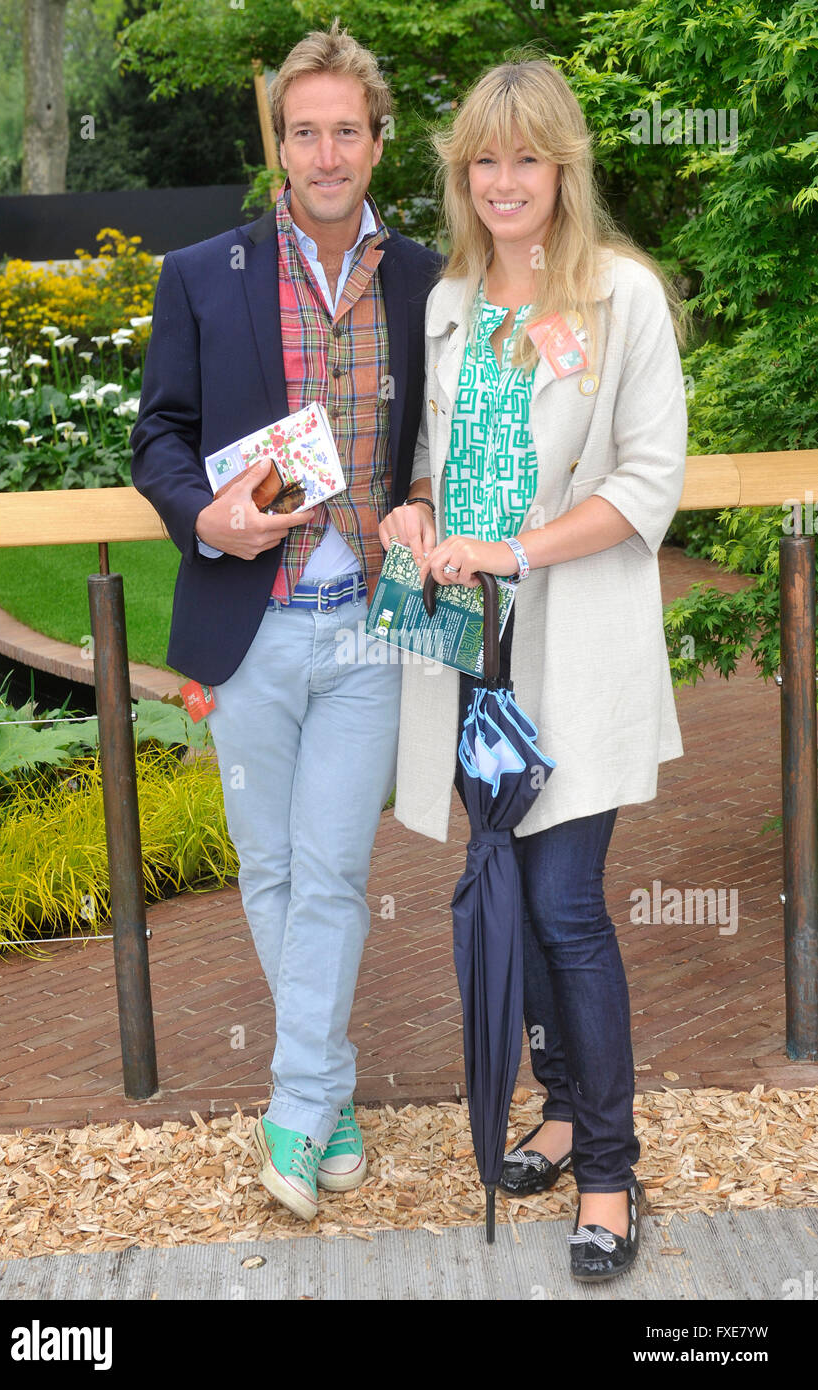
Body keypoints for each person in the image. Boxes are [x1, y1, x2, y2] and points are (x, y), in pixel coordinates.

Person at [380, 58, 688, 1281]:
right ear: (463, 175)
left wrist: (511, 545)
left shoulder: (621, 296)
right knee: (503, 890)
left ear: (563, 166)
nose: (502, 181)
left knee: (564, 906)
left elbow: (644, 482)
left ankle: (607, 1172)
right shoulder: (452, 299)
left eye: (525, 157)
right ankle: (556, 1111)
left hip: (576, 648)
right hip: (471, 653)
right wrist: (413, 514)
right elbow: (426, 462)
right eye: (481, 161)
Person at [131, 19, 442, 1223]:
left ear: (375, 142)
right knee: (270, 869)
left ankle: (292, 1113)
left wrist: (419, 498)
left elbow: (433, 436)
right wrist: (206, 516)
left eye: (345, 132)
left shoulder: (424, 279)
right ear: (280, 146)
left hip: (367, 622)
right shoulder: (204, 274)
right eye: (303, 132)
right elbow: (157, 434)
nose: (325, 153)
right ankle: (333, 1093)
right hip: (247, 625)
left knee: (332, 870)